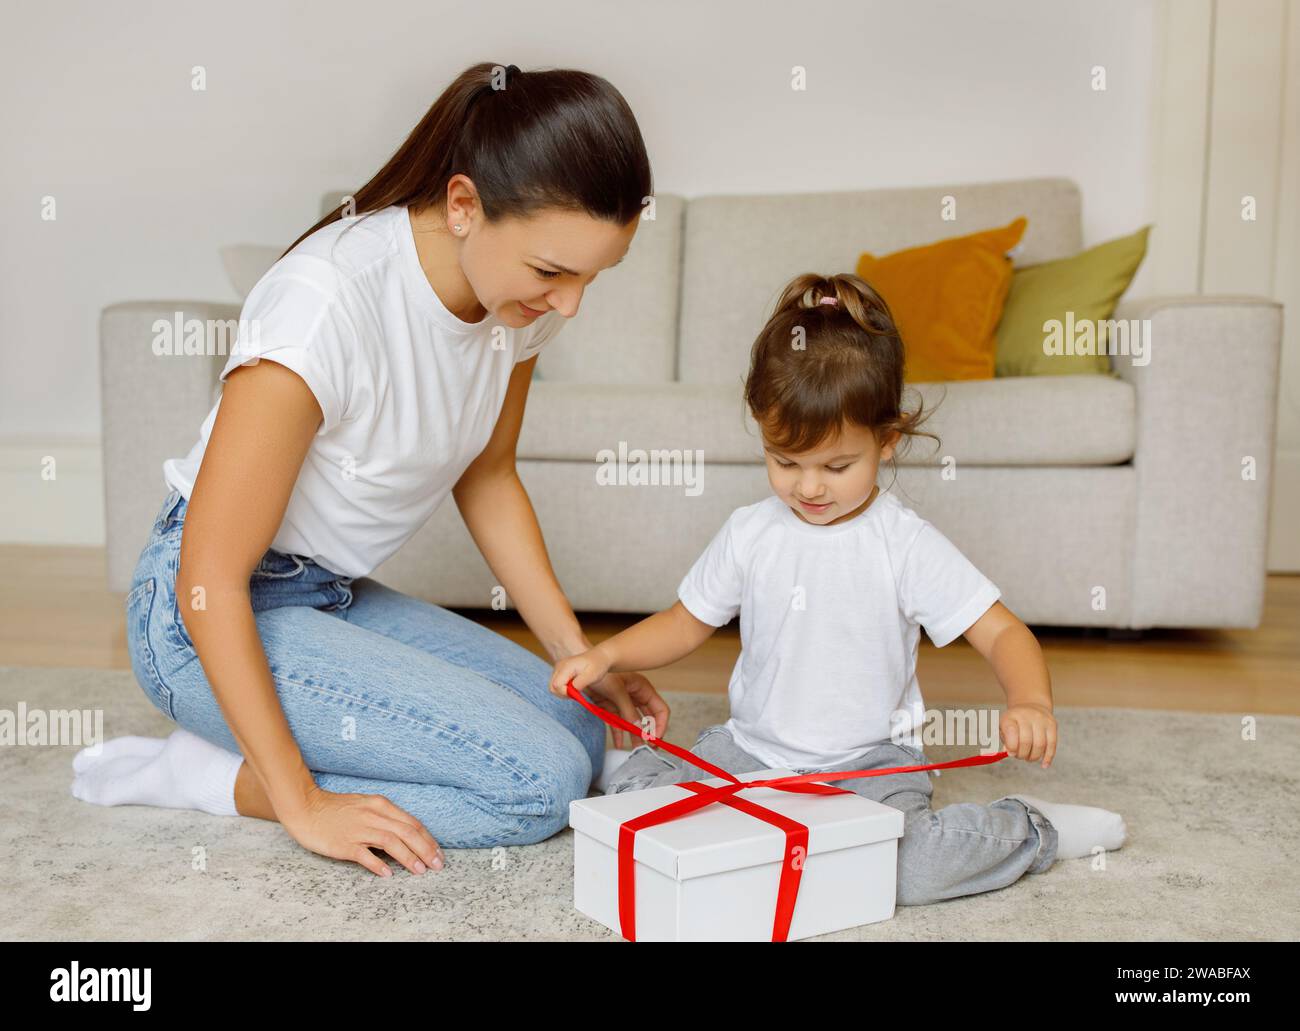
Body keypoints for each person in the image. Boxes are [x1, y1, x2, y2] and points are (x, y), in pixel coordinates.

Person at [71, 62, 670, 878]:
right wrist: (300, 801)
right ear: (464, 205)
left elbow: (489, 477)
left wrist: (580, 658)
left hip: (325, 594)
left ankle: (272, 752)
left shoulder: (513, 309)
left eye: (591, 278)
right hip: (198, 615)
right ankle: (210, 774)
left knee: (576, 729)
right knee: (537, 785)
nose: (570, 305)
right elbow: (208, 573)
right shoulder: (325, 303)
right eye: (552, 272)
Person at [550, 272, 1127, 905]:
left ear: (887, 442)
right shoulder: (751, 531)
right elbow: (686, 621)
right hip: (751, 754)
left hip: (870, 769)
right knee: (659, 829)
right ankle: (632, 774)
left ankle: (1031, 829)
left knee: (907, 873)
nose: (808, 488)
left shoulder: (903, 543)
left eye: (837, 466)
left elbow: (1002, 631)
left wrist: (1031, 702)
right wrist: (606, 656)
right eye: (785, 461)